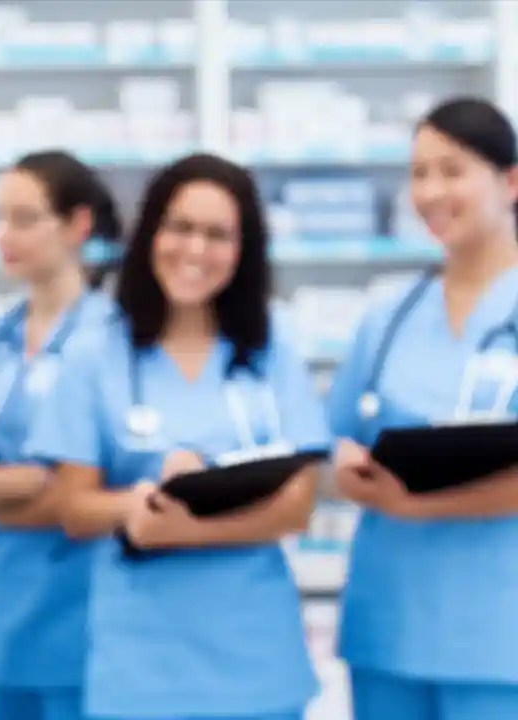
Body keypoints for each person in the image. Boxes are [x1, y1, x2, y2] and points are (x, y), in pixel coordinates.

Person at [26, 153, 330, 720]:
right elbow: (72, 506)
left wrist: (184, 524)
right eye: (180, 227)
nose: (195, 250)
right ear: (150, 234)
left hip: (255, 658)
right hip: (143, 664)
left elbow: (298, 506)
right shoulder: (95, 353)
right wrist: (137, 502)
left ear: (244, 249)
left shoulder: (273, 351)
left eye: (217, 234)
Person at [326, 97, 518, 720]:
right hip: (389, 629)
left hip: (498, 637)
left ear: (511, 181)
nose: (431, 192)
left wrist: (415, 503)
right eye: (418, 173)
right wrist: (346, 466)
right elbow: (327, 446)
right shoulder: (389, 317)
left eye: (452, 170)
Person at [0, 150, 120, 720]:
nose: (3, 235)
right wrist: (41, 482)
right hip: (7, 612)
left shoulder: (116, 339)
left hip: (93, 612)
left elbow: (100, 485)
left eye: (23, 217)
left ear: (78, 225)